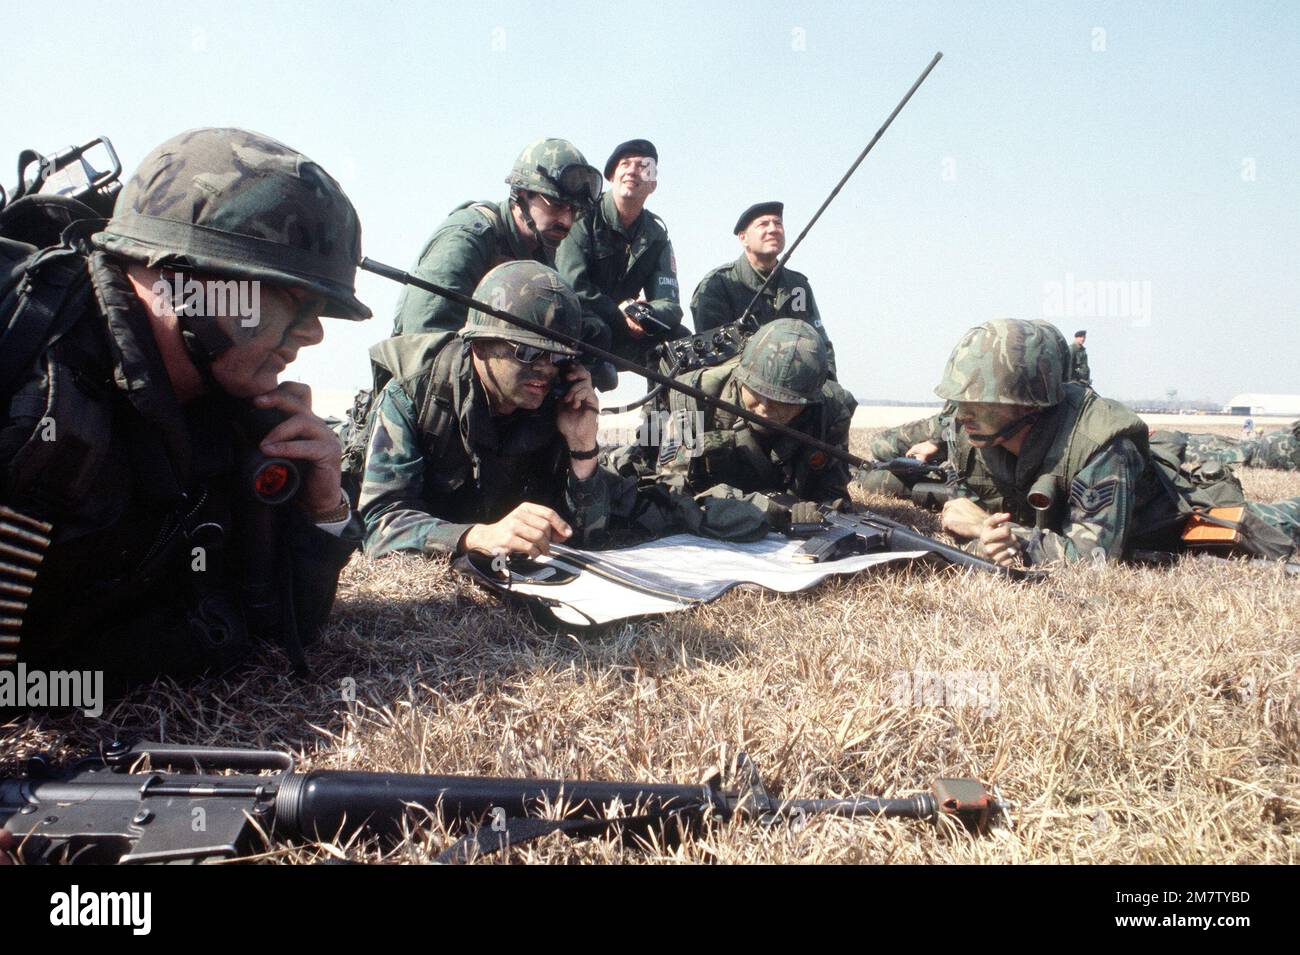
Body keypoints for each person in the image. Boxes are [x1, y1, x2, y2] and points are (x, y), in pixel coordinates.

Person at [0, 128, 368, 689]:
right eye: (295, 299)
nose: (315, 333)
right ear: (182, 281)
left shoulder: (225, 416)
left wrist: (321, 512)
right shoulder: (23, 343)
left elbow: (276, 626)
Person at [359, 262, 768, 558]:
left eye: (557, 357)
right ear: (480, 346)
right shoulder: (416, 394)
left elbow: (586, 531)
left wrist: (582, 451)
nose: (544, 370)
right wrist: (476, 537)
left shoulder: (555, 401)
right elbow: (379, 524)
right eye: (528, 352)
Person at [925, 319, 1299, 568]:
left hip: (1173, 521)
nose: (961, 415)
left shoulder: (1099, 442)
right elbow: (970, 503)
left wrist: (989, 530)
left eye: (979, 403)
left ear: (1027, 402)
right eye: (959, 402)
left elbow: (1094, 558)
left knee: (1285, 520)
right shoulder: (976, 433)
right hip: (1062, 523)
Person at [390, 139, 603, 338]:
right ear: (521, 195)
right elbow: (425, 338)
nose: (566, 221)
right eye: (556, 205)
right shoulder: (468, 238)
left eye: (575, 211)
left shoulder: (539, 253)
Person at [650, 319, 856, 520]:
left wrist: (818, 512)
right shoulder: (693, 397)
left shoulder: (831, 410)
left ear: (808, 402)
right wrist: (758, 507)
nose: (765, 407)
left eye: (782, 401)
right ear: (740, 378)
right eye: (756, 393)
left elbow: (833, 495)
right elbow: (672, 491)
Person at [555, 139, 683, 373]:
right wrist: (618, 312)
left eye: (644, 167)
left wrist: (646, 314)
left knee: (680, 342)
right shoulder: (583, 215)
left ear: (652, 184)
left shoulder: (656, 236)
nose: (633, 170)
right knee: (594, 329)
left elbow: (671, 305)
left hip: (624, 330)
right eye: (625, 164)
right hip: (577, 324)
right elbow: (573, 287)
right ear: (611, 176)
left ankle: (660, 410)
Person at [690, 202, 836, 376]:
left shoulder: (798, 285)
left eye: (778, 223)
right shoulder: (718, 284)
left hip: (794, 384)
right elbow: (713, 356)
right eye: (763, 224)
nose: (774, 229)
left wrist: (827, 381)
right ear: (743, 238)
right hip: (740, 384)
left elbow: (819, 342)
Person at [1167, 420, 1300, 472]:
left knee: (1210, 448)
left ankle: (1169, 442)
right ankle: (1167, 442)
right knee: (1211, 447)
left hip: (1261, 452)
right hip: (1258, 451)